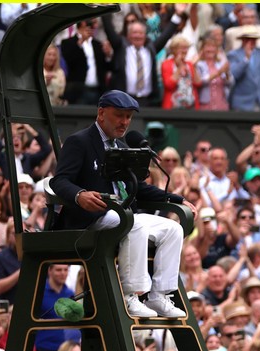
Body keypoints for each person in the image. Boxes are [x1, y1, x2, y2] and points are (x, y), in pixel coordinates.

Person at [49, 91, 186, 320]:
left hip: (119, 215)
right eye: (119, 115)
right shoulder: (79, 141)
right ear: (101, 113)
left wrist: (176, 199)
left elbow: (138, 187)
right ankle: (130, 294)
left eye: (128, 117)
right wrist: (80, 194)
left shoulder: (121, 145)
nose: (124, 122)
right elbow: (59, 180)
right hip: (90, 218)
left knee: (173, 229)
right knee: (133, 224)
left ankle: (160, 295)